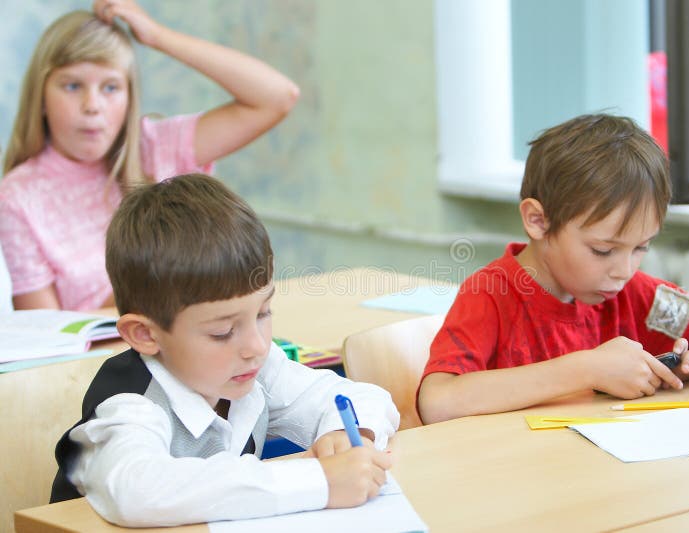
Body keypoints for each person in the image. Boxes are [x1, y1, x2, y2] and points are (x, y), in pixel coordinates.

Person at [50, 173, 400, 527]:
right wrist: (318, 480)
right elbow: (137, 491)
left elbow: (361, 396)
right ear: (144, 334)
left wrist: (342, 434)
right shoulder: (127, 406)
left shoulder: (251, 368)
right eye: (222, 332)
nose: (257, 345)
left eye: (263, 313)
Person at [417, 113, 689, 425]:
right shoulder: (491, 295)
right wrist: (586, 369)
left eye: (641, 248)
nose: (624, 269)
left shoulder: (635, 296)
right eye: (603, 250)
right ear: (538, 221)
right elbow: (438, 402)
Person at [0, 1, 299, 311]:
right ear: (41, 96)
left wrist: (157, 36)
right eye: (73, 85)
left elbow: (277, 97)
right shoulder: (18, 197)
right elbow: (46, 338)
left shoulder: (155, 149)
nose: (92, 105)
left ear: (130, 98)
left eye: (111, 87)